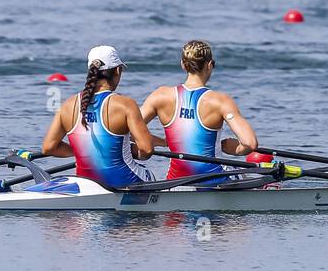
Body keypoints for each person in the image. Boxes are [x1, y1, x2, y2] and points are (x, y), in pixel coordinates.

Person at [141, 40, 257, 181]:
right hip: (214, 182)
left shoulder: (160, 96)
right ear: (209, 65)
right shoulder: (220, 101)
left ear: (183, 65)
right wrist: (237, 149)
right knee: (244, 173)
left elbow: (127, 131)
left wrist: (163, 142)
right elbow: (250, 143)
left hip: (175, 182)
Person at [42, 45, 155, 187]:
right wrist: (133, 152)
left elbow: (48, 148)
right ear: (117, 70)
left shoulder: (67, 105)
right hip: (124, 181)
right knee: (150, 176)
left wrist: (83, 152)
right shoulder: (125, 104)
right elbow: (147, 149)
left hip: (86, 183)